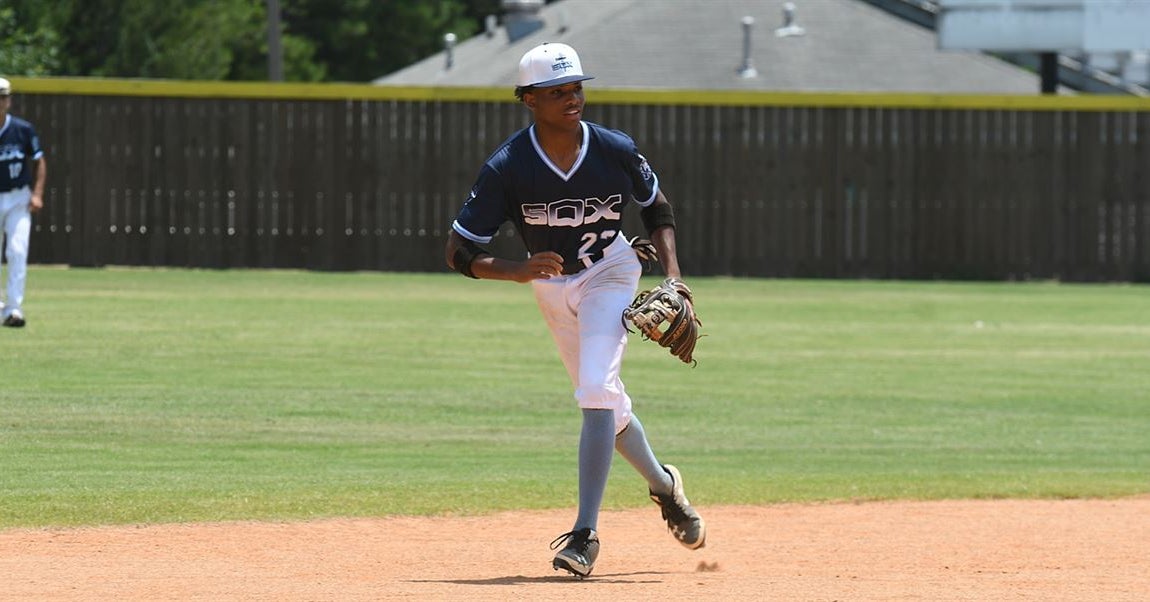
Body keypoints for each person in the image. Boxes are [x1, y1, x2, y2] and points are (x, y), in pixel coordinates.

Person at [444, 42, 706, 578]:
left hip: (610, 271)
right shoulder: (509, 166)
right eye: (556, 91)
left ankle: (585, 535)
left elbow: (657, 207)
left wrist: (674, 277)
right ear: (528, 100)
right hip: (550, 285)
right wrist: (516, 270)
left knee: (593, 391)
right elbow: (459, 251)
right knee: (605, 403)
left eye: (576, 87)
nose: (571, 98)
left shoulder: (613, 149)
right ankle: (664, 486)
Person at [0, 77, 46, 328]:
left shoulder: (22, 129)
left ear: (9, 101)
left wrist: (37, 193)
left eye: (3, 97)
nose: (0, 102)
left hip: (18, 197)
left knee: (17, 250)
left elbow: (39, 160)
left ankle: (14, 308)